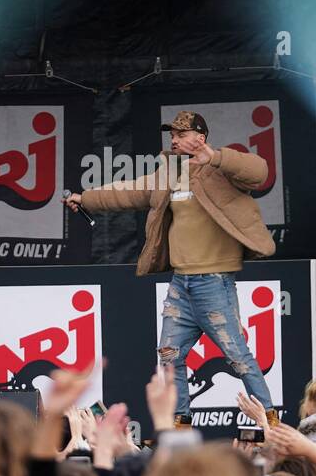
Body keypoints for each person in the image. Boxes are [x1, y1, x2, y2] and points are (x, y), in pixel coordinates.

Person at [64, 110, 277, 428]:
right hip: (181, 285)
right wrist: (87, 199)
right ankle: (181, 421)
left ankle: (270, 419)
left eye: (180, 134)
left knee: (238, 357)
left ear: (199, 138)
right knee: (169, 355)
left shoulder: (221, 168)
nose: (173, 139)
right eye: (172, 134)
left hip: (213, 282)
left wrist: (215, 157)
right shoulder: (170, 172)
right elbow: (131, 191)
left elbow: (260, 172)